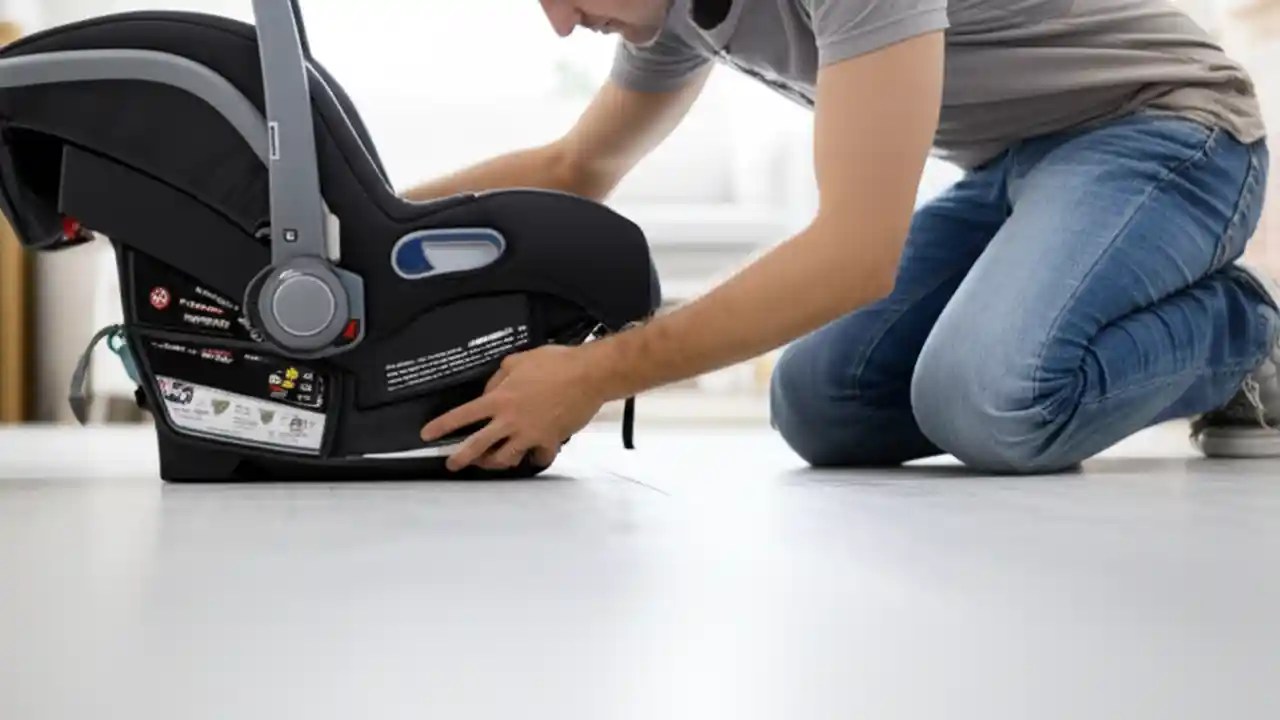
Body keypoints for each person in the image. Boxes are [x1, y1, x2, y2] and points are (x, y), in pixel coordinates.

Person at [408, 0, 1275, 474]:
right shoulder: (672, 14)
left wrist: (595, 372)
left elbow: (853, 257)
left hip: (1168, 129)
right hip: (1020, 165)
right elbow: (575, 166)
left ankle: (1245, 338)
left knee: (991, 403)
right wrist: (359, 218)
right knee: (824, 403)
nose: (559, 20)